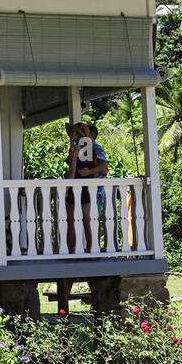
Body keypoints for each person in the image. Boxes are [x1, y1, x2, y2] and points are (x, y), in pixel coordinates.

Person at [57, 121, 108, 313]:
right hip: (87, 187)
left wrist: (66, 187)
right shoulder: (91, 149)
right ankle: (91, 247)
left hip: (76, 187)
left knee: (71, 220)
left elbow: (71, 173)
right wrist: (88, 173)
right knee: (87, 219)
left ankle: (72, 249)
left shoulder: (75, 149)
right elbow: (101, 166)